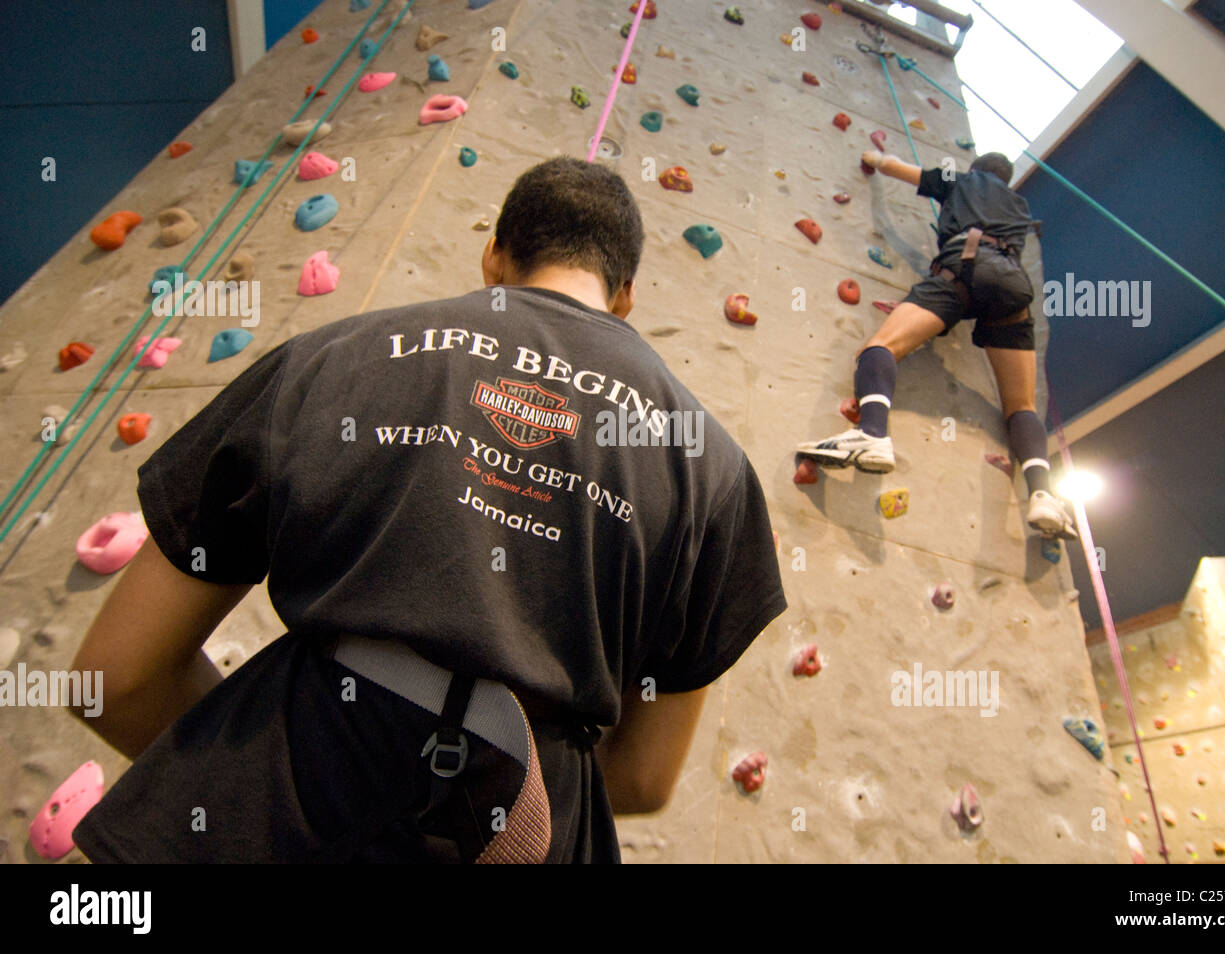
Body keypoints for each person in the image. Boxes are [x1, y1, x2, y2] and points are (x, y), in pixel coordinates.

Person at [66, 157, 787, 863]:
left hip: (278, 807)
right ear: (627, 296)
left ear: (493, 258)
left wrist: (247, 768)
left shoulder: (328, 361)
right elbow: (641, 776)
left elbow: (116, 677)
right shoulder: (713, 473)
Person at [797, 149, 1076, 539]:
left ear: (977, 170)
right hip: (1013, 287)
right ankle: (1043, 495)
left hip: (966, 267)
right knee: (1022, 405)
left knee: (879, 347)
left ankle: (873, 435)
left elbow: (896, 169)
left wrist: (873, 157)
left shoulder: (963, 181)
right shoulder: (1019, 206)